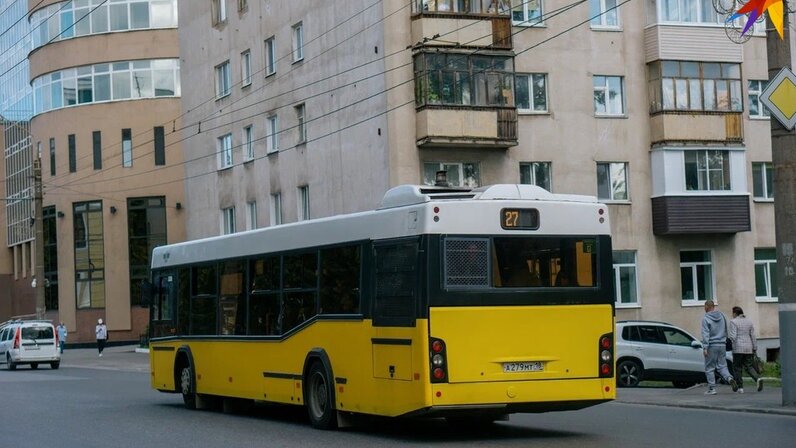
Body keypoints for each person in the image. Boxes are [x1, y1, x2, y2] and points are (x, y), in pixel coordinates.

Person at [701, 300, 738, 395]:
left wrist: (705, 347)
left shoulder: (705, 318)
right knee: (722, 366)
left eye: (704, 306)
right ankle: (729, 378)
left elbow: (705, 334)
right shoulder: (722, 316)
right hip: (722, 344)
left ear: (707, 306)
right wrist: (724, 340)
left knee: (709, 367)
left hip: (711, 345)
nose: (704, 308)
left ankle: (712, 389)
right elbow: (726, 329)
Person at [729, 306, 763, 393]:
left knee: (737, 367)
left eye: (732, 313)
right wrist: (754, 347)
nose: (732, 315)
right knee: (749, 366)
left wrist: (729, 343)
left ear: (735, 313)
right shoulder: (749, 321)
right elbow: (753, 336)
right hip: (749, 348)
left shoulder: (733, 322)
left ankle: (740, 388)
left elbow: (733, 336)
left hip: (738, 348)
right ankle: (757, 379)